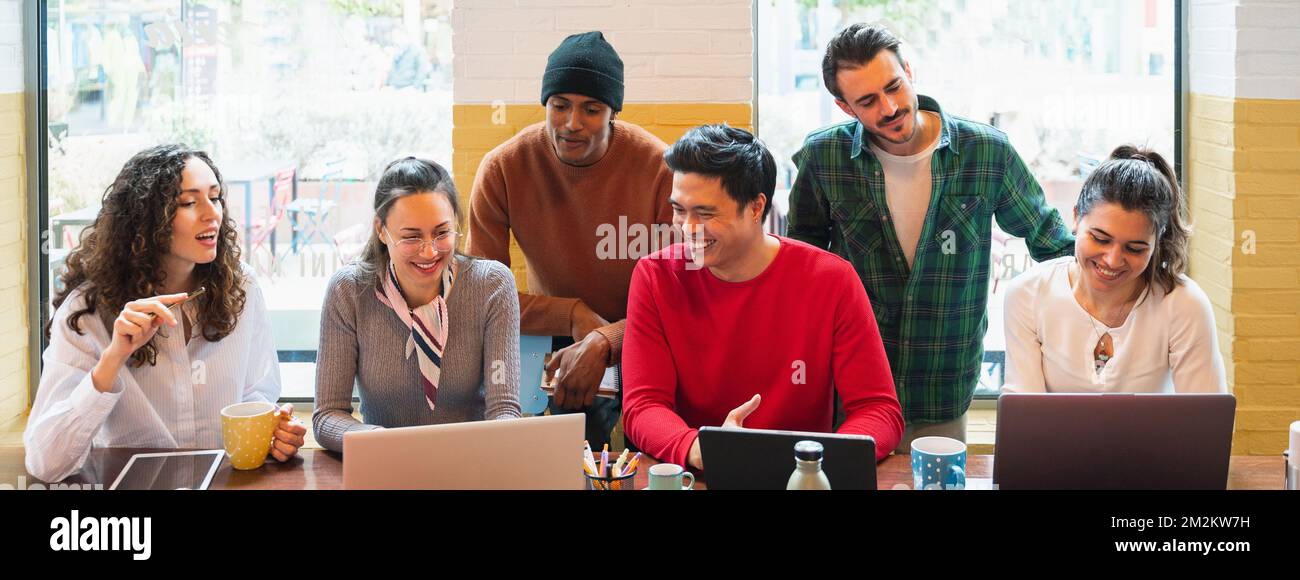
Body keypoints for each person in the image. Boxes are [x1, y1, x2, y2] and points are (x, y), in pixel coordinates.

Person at [786, 24, 1075, 452]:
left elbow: (1052, 243)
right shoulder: (823, 157)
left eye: (894, 87)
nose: (889, 107)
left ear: (909, 69)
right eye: (867, 101)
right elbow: (803, 263)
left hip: (943, 379)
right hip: (855, 384)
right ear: (844, 107)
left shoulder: (986, 153)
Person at [622, 125, 904, 470]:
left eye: (706, 213)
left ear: (756, 207)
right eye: (680, 210)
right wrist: (700, 448)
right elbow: (643, 405)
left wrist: (815, 465)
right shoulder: (655, 277)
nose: (686, 227)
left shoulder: (832, 280)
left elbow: (878, 410)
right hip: (700, 473)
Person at [26, 144, 304, 482]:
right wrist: (113, 359)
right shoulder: (87, 312)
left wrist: (273, 430)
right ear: (145, 222)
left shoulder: (241, 286)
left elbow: (257, 393)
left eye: (214, 198)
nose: (211, 213)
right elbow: (46, 464)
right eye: (189, 202)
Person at [466, 31, 674, 449]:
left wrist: (606, 339)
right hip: (559, 335)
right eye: (559, 106)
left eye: (591, 110)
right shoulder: (503, 168)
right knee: (567, 443)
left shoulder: (660, 169)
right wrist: (572, 315)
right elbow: (482, 297)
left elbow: (682, 299)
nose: (572, 123)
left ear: (613, 112)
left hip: (649, 332)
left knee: (656, 439)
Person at [313, 157, 521, 453]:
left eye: (442, 233)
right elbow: (327, 416)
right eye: (411, 237)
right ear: (381, 230)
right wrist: (387, 444)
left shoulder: (491, 285)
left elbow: (505, 411)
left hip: (469, 463)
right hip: (384, 463)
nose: (429, 251)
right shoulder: (349, 291)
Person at [1003, 146, 1227, 393]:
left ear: (1156, 244)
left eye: (1135, 248)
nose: (1112, 260)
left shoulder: (1183, 304)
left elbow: (1201, 419)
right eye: (1100, 239)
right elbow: (1025, 412)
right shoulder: (1027, 294)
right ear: (1076, 217)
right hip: (1051, 435)